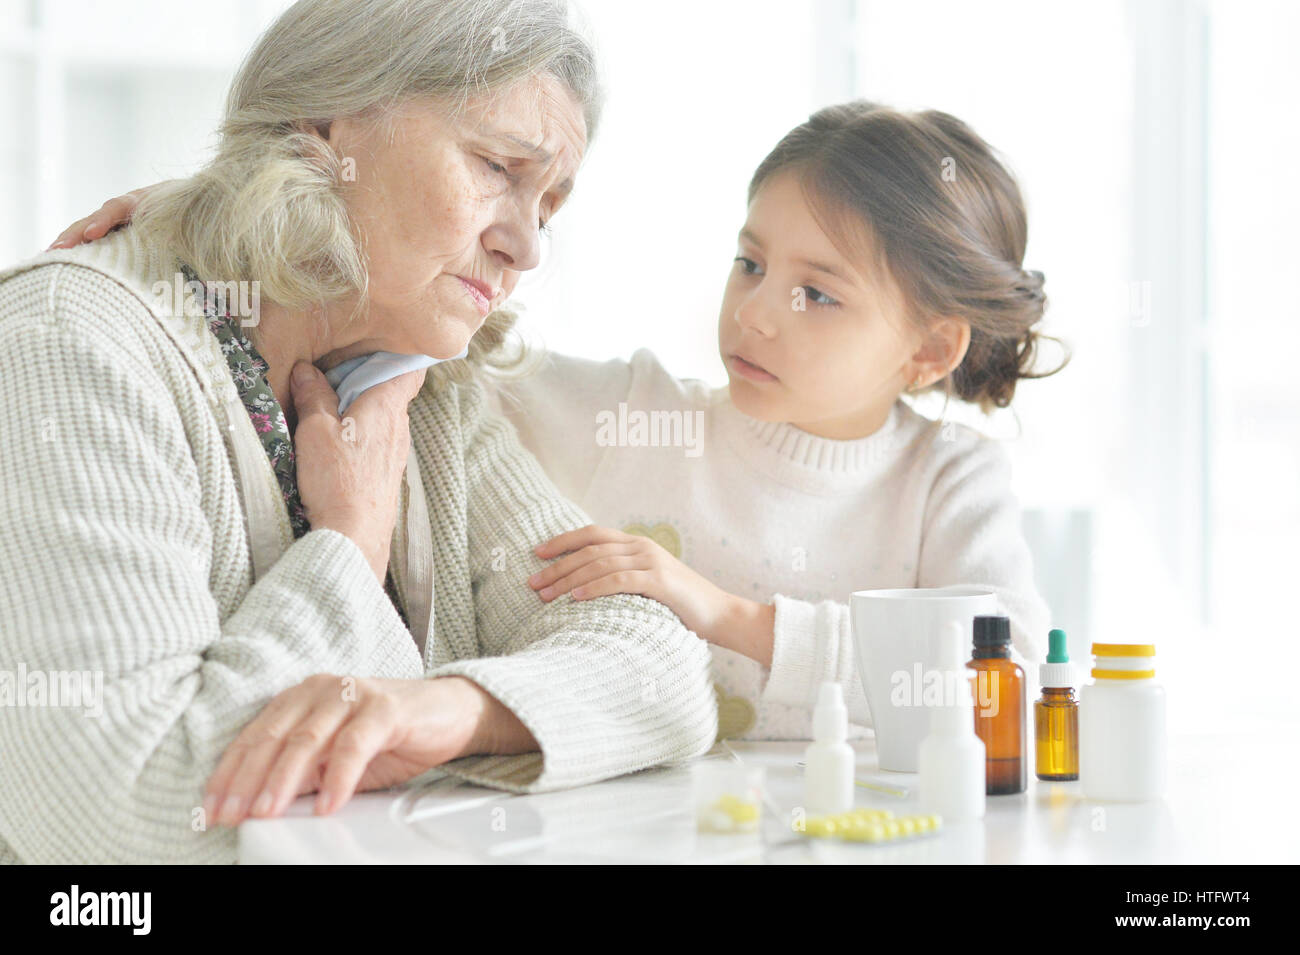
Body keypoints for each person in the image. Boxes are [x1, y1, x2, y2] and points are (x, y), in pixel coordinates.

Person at [0, 0, 717, 865]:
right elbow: (126, 818)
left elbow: (662, 666)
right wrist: (347, 545)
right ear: (322, 122)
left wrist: (451, 710)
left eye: (549, 205)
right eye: (496, 166)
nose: (528, 246)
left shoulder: (415, 382)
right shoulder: (66, 342)